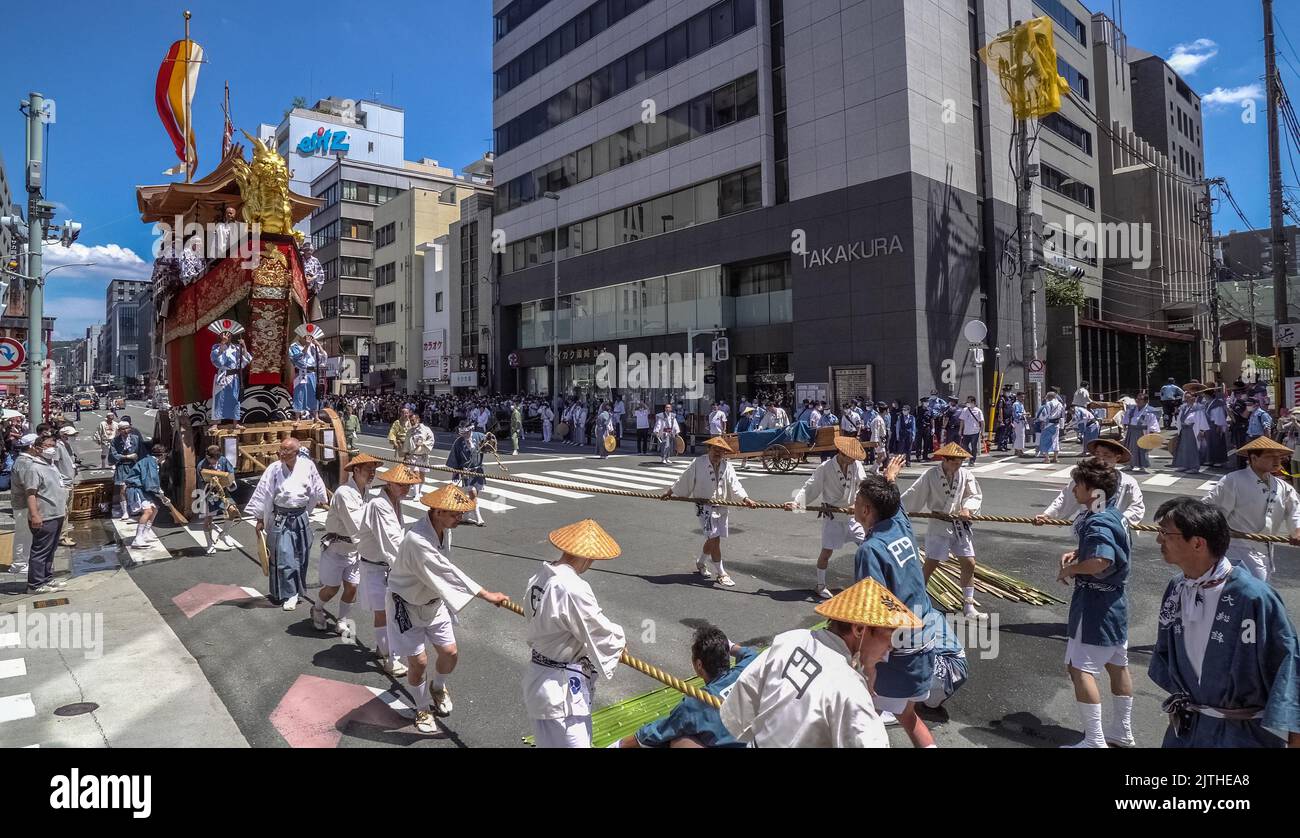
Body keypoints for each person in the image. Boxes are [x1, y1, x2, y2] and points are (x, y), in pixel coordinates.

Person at [1148, 497, 1300, 748]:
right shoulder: (1177, 587)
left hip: (1241, 735)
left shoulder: (1253, 597)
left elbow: (1288, 669)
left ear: (1197, 542)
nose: (1158, 540)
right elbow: (1165, 653)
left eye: (1166, 533)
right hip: (1188, 729)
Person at [720, 576, 920, 748]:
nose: (892, 647)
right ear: (859, 629)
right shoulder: (850, 689)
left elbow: (741, 706)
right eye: (890, 636)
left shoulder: (792, 639)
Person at [388, 483, 508, 733]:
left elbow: (443, 570)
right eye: (455, 513)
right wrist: (485, 594)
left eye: (461, 513)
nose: (460, 518)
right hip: (406, 606)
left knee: (450, 653)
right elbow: (446, 571)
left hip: (433, 602)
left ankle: (438, 686)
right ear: (437, 511)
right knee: (419, 662)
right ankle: (421, 708)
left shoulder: (444, 529)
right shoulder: (417, 540)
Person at [851, 455, 937, 747]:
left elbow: (875, 612)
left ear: (865, 509)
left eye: (857, 501)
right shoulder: (900, 523)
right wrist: (889, 478)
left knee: (862, 716)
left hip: (898, 645)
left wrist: (867, 664)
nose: (852, 505)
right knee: (908, 716)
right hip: (924, 634)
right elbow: (894, 502)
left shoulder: (870, 550)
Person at [523, 519, 627, 748]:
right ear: (588, 557)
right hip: (559, 691)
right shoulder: (571, 586)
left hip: (540, 678)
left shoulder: (541, 575)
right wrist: (620, 641)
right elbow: (596, 627)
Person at [1056, 459, 1134, 748]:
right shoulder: (1114, 514)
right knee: (1117, 665)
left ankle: (1096, 740)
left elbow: (1102, 560)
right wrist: (1079, 551)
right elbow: (1110, 547)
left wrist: (1072, 569)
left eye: (1078, 484)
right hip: (1115, 602)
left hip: (1095, 605)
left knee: (1079, 669)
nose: (1074, 489)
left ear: (1092, 489)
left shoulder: (1097, 520)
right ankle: (1122, 731)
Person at [613, 626, 759, 748]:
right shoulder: (748, 670)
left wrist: (618, 745)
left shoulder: (696, 703)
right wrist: (730, 646)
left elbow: (657, 731)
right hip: (765, 740)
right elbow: (750, 654)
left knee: (679, 740)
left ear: (699, 665)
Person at [901, 442, 986, 619]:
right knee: (931, 564)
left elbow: (974, 495)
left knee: (969, 562)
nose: (958, 466)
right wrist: (896, 508)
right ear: (945, 460)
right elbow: (915, 493)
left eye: (961, 463)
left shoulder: (965, 474)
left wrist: (967, 508)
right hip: (939, 522)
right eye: (955, 463)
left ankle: (968, 606)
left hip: (958, 524)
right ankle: (916, 602)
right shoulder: (931, 475)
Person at [1202, 435, 1300, 583]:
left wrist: (1297, 530)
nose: (1276, 460)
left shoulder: (1283, 487)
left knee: (1258, 592)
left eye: (1278, 457)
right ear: (1254, 458)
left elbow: (1295, 511)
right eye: (1270, 456)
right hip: (1236, 549)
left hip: (1265, 549)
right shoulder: (1233, 481)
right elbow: (1211, 511)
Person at [245, 437, 329, 610]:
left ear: (296, 453)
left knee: (302, 555)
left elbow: (317, 486)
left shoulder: (307, 466)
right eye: (280, 449)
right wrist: (260, 518)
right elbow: (263, 492)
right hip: (280, 518)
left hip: (301, 516)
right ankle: (289, 594)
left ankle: (296, 591)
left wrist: (322, 498)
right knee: (284, 556)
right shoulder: (274, 469)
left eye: (286, 450)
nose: (281, 453)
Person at [663, 436, 758, 586]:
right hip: (704, 507)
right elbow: (684, 478)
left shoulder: (727, 466)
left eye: (721, 450)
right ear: (709, 449)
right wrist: (670, 492)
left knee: (713, 537)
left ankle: (700, 562)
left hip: (721, 506)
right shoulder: (698, 462)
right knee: (715, 538)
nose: (718, 453)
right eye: (715, 449)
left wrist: (746, 499)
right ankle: (721, 573)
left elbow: (735, 485)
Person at [783, 436, 869, 599]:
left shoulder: (856, 465)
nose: (853, 460)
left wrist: (857, 503)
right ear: (841, 453)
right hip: (833, 515)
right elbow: (810, 487)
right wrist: (796, 503)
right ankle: (820, 585)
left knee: (868, 547)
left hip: (852, 516)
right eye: (850, 457)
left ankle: (869, 582)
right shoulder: (826, 467)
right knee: (827, 552)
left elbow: (863, 485)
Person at [357, 464, 422, 678]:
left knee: (387, 611)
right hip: (376, 566)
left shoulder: (394, 500)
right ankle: (388, 658)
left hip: (383, 564)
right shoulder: (379, 505)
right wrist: (411, 567)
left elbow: (395, 539)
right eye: (401, 485)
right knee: (382, 612)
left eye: (408, 485)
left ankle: (382, 647)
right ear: (389, 483)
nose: (406, 489)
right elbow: (391, 542)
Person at [312, 454, 381, 638]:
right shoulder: (344, 493)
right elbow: (358, 525)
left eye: (374, 470)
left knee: (352, 588)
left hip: (354, 551)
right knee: (331, 589)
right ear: (356, 470)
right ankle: (317, 608)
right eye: (368, 470)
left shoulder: (365, 491)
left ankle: (341, 621)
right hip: (336, 549)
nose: (372, 474)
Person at [1036, 439, 1145, 528]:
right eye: (1097, 454)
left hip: (1115, 528)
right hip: (1088, 526)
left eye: (1106, 455)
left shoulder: (1128, 482)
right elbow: (1065, 497)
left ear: (1117, 457)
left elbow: (1137, 506)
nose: (1101, 459)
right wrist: (1048, 515)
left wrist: (1119, 521)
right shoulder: (1086, 477)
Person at [13, 434, 69, 594]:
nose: (52, 448)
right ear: (37, 449)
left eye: (54, 445)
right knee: (41, 549)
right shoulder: (34, 468)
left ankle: (47, 578)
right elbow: (31, 493)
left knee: (50, 549)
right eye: (48, 445)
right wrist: (35, 515)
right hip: (45, 515)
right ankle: (35, 584)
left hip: (56, 514)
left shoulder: (51, 465)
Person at [208, 320, 251, 429]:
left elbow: (246, 360)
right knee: (219, 398)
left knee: (234, 399)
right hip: (223, 375)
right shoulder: (216, 347)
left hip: (234, 377)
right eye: (224, 334)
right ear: (220, 335)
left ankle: (235, 423)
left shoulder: (236, 348)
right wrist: (222, 345)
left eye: (228, 335)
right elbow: (217, 362)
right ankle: (215, 423)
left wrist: (244, 346)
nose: (226, 337)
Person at [196, 444, 237, 554]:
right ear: (207, 456)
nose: (215, 462)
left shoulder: (223, 460)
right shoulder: (201, 466)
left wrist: (230, 483)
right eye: (213, 460)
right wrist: (211, 484)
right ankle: (209, 543)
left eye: (216, 460)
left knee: (233, 511)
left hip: (224, 491)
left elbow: (231, 472)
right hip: (209, 494)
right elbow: (202, 484)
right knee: (208, 519)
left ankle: (224, 534)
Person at [446, 421, 488, 527]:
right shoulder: (458, 442)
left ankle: (465, 516)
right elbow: (454, 458)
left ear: (471, 430)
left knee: (474, 495)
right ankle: (479, 517)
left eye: (466, 432)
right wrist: (456, 474)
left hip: (478, 470)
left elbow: (489, 444)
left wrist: (489, 441)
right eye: (462, 433)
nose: (464, 435)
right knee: (472, 494)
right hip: (466, 471)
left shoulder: (479, 436)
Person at [288, 324, 328, 421]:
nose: (308, 338)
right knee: (299, 393)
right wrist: (306, 346)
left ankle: (315, 416)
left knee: (314, 393)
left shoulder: (313, 347)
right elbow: (296, 360)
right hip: (301, 372)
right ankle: (298, 416)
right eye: (306, 336)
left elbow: (323, 357)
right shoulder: (294, 346)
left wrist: (318, 345)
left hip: (312, 373)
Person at [1120, 392, 1160, 473]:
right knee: (1130, 448)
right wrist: (1124, 425)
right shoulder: (1132, 409)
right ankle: (1129, 464)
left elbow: (1153, 422)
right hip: (1131, 431)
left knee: (1142, 448)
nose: (1137, 401)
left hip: (1142, 431)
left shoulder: (1150, 410)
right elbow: (1126, 419)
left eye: (1140, 399)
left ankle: (1143, 465)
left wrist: (1152, 432)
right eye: (1137, 399)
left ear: (1145, 401)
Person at [1172, 387, 1208, 474]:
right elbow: (1180, 418)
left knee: (1192, 448)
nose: (1187, 399)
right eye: (1186, 398)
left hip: (1192, 430)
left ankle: (1194, 466)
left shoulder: (1198, 408)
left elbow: (1201, 420)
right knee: (1183, 448)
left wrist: (1202, 430)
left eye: (1189, 398)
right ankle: (1184, 465)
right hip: (1184, 430)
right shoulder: (1184, 408)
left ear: (1194, 398)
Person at [404, 412, 437, 497]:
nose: (412, 422)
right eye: (410, 421)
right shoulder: (410, 431)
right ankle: (416, 494)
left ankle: (419, 491)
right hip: (413, 455)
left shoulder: (426, 429)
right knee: (415, 473)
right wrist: (406, 454)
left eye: (413, 420)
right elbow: (407, 443)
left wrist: (423, 444)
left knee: (422, 475)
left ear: (418, 419)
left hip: (423, 455)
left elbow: (431, 440)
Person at [1034, 391, 1065, 463]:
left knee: (1045, 440)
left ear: (1050, 397)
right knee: (1055, 440)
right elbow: (1062, 415)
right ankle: (1055, 458)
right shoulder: (1060, 404)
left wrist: (1041, 420)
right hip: (1056, 424)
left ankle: (1047, 458)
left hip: (1048, 424)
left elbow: (1045, 415)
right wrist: (1062, 425)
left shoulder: (1048, 404)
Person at [1203, 385, 1230, 468]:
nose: (1204, 397)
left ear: (1208, 395)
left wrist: (1219, 425)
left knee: (1217, 443)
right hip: (1208, 425)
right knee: (1209, 442)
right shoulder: (1207, 403)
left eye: (1205, 395)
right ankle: (1210, 459)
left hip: (1215, 425)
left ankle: (1219, 460)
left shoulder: (1217, 404)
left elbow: (1219, 415)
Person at [957, 396, 983, 462]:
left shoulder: (978, 411)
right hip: (966, 431)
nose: (967, 403)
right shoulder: (965, 410)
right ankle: (970, 454)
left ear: (973, 402)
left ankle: (972, 460)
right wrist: (960, 430)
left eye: (969, 402)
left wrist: (982, 431)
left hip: (975, 431)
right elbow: (962, 420)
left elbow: (982, 422)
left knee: (974, 446)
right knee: (964, 445)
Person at [1010, 391, 1028, 457]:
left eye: (1023, 397)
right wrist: (1024, 414)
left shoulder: (1021, 404)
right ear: (1017, 397)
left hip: (1021, 421)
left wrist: (1025, 417)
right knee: (1019, 436)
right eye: (1021, 397)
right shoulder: (1016, 404)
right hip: (1018, 422)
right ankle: (1018, 450)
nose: (1023, 398)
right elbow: (1016, 414)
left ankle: (1019, 450)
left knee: (1021, 436)